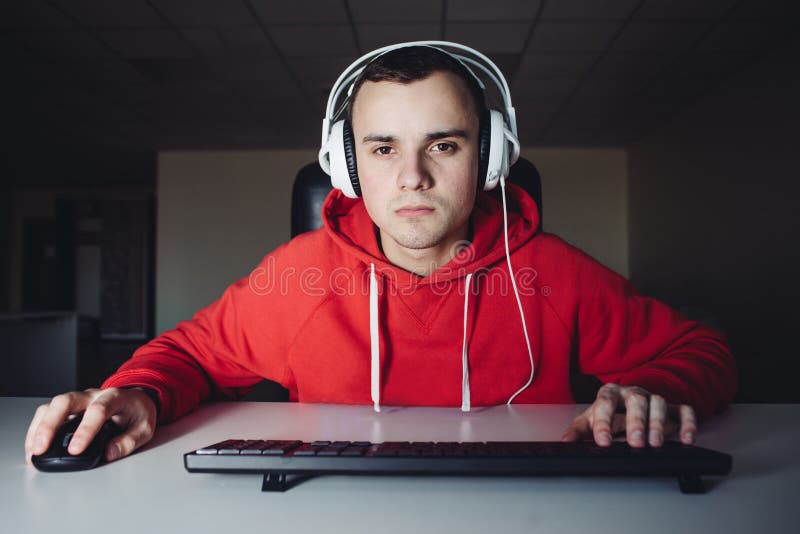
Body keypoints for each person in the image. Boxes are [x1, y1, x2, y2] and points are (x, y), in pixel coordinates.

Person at [25, 42, 736, 466]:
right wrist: (141, 393)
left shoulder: (555, 273)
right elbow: (186, 354)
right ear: (347, 164)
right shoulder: (297, 277)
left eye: (444, 145)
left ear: (490, 157)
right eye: (384, 148)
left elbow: (701, 349)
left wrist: (658, 390)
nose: (413, 177)